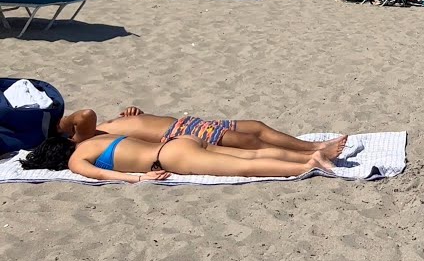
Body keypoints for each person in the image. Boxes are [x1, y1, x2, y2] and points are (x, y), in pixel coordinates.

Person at [20, 133, 333, 182]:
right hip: (177, 142)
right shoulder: (94, 139)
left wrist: (139, 177)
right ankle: (313, 151)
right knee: (252, 153)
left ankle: (308, 163)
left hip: (168, 156)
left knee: (245, 166)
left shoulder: (77, 159)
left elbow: (105, 175)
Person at [59, 106, 347, 159]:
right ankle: (313, 152)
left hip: (190, 122)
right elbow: (84, 115)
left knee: (256, 126)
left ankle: (310, 145)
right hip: (180, 133)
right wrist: (59, 124)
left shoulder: (102, 130)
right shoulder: (85, 139)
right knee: (248, 141)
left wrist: (136, 111)